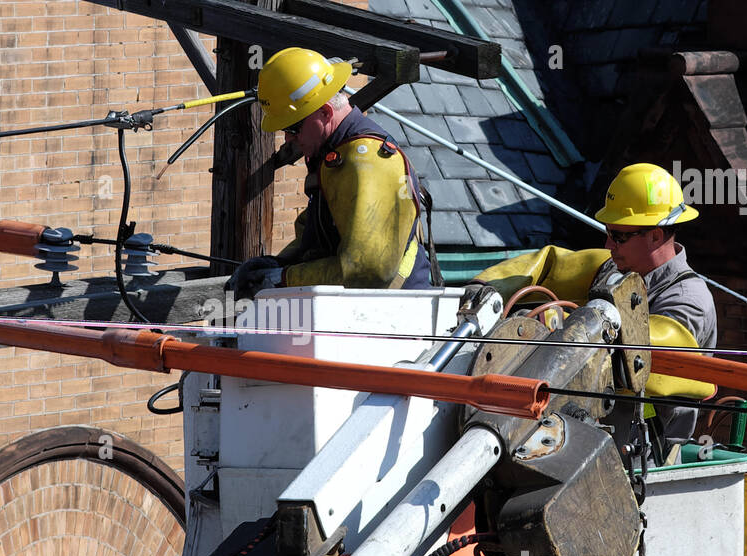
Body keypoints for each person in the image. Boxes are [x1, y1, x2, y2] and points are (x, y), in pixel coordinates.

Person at [475, 162, 717, 446]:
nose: (608, 244)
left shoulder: (687, 301)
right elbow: (550, 264)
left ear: (655, 235)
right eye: (608, 232)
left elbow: (636, 355)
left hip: (647, 450)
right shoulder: (615, 269)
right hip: (595, 430)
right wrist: (483, 289)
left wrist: (562, 324)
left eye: (619, 235)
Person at [227, 47, 436, 299]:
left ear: (325, 112)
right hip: (353, 312)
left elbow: (367, 270)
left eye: (293, 126)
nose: (289, 138)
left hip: (392, 316)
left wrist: (282, 278)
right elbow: (316, 236)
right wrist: (278, 264)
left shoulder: (369, 160)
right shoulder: (333, 155)